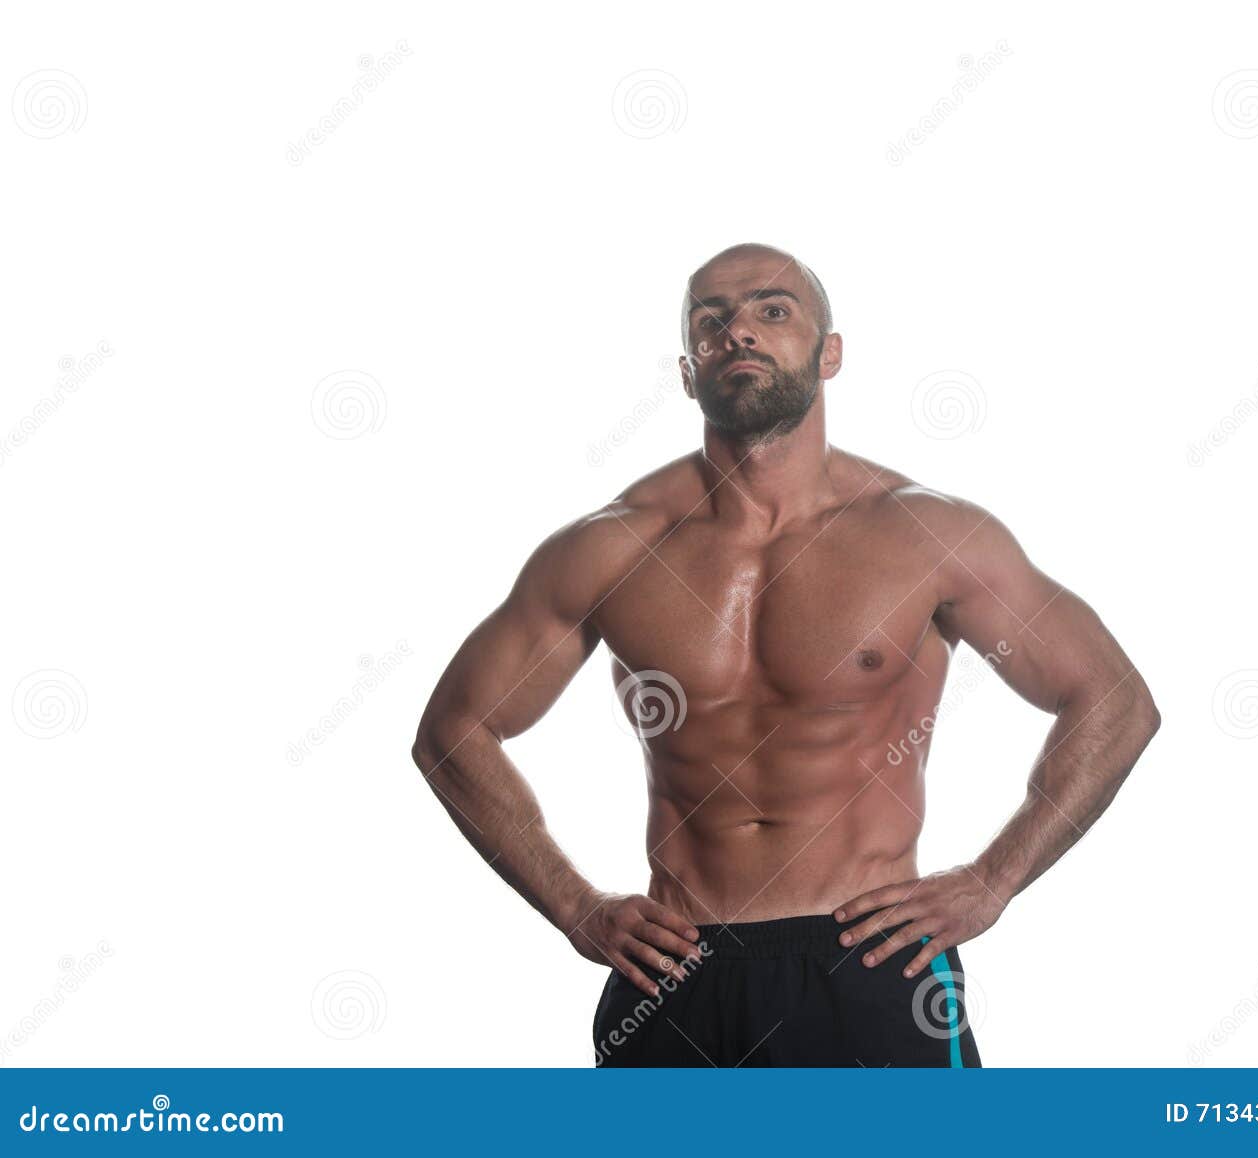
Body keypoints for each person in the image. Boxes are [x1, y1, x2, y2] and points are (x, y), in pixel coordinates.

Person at [410, 243, 1161, 1066]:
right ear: (688, 372)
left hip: (873, 960)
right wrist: (577, 906)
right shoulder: (612, 549)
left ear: (829, 352)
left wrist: (992, 880)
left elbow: (1112, 698)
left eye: (773, 311)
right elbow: (454, 733)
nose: (739, 331)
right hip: (672, 969)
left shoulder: (927, 535)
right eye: (711, 321)